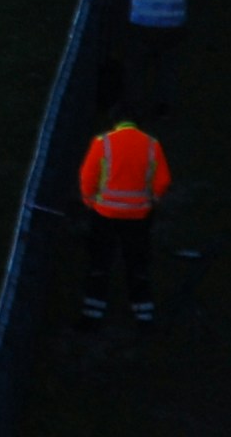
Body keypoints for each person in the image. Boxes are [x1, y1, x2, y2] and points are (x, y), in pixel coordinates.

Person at [76, 104, 170, 327]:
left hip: (105, 215)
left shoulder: (103, 143)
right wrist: (152, 200)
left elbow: (88, 177)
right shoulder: (152, 145)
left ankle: (92, 315)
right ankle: (143, 316)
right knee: (138, 265)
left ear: (115, 121)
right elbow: (163, 180)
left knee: (100, 264)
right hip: (139, 216)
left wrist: (90, 201)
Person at [124, 0, 188, 115]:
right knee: (166, 69)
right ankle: (164, 106)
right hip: (173, 29)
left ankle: (135, 106)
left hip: (145, 27)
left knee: (137, 67)